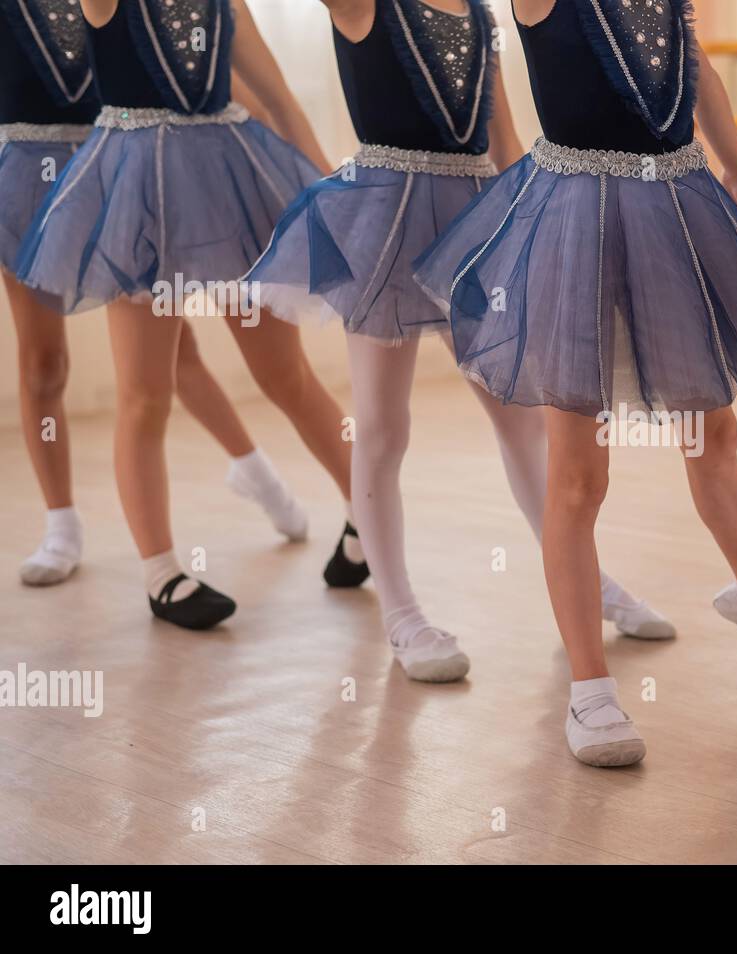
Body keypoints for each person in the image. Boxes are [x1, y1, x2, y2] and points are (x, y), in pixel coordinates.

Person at [414, 0, 737, 767]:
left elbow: (692, 69)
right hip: (573, 219)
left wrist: (736, 166)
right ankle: (590, 695)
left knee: (714, 433)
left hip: (674, 202)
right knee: (577, 477)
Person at [246, 0, 675, 682]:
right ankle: (402, 615)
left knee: (523, 422)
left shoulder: (480, 15)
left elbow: (502, 143)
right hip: (385, 227)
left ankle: (591, 589)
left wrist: (520, 238)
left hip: (472, 227)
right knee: (384, 429)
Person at [18, 0, 370, 629]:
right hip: (137, 194)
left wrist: (333, 199)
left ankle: (366, 516)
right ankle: (161, 574)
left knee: (285, 376)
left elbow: (283, 103)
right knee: (146, 393)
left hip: (231, 182)